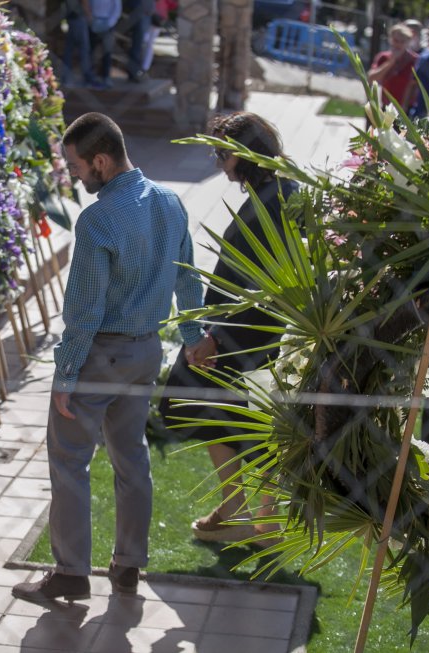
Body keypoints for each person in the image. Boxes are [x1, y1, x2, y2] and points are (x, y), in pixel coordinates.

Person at [12, 112, 209, 602]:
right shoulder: (170, 202)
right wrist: (192, 334)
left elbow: (84, 310)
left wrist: (65, 373)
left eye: (77, 167)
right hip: (146, 353)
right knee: (131, 459)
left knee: (69, 461)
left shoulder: (98, 219)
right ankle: (128, 566)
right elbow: (188, 276)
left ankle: (72, 574)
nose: (76, 177)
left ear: (101, 160)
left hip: (101, 356)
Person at [159, 112, 298, 543]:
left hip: (247, 330)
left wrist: (215, 336)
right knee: (239, 416)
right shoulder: (277, 188)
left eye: (223, 154)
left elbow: (262, 279)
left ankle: (248, 512)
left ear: (246, 154)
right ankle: (257, 515)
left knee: (198, 401)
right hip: (249, 327)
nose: (219, 164)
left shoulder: (275, 196)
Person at [367, 23, 419, 108]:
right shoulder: (383, 57)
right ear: (390, 39)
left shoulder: (415, 60)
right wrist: (390, 62)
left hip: (408, 109)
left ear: (408, 42)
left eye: (402, 41)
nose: (398, 44)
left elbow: (414, 86)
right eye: (396, 40)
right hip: (387, 106)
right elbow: (371, 78)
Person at [61, 0, 100, 88]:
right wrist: (90, 17)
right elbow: (84, 2)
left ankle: (67, 78)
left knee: (69, 50)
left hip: (70, 20)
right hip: (79, 19)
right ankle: (88, 78)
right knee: (84, 50)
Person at [89, 0, 122, 87]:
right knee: (92, 50)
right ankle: (92, 76)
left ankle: (106, 77)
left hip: (107, 22)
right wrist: (91, 21)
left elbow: (117, 9)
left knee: (107, 52)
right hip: (94, 21)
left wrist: (109, 23)